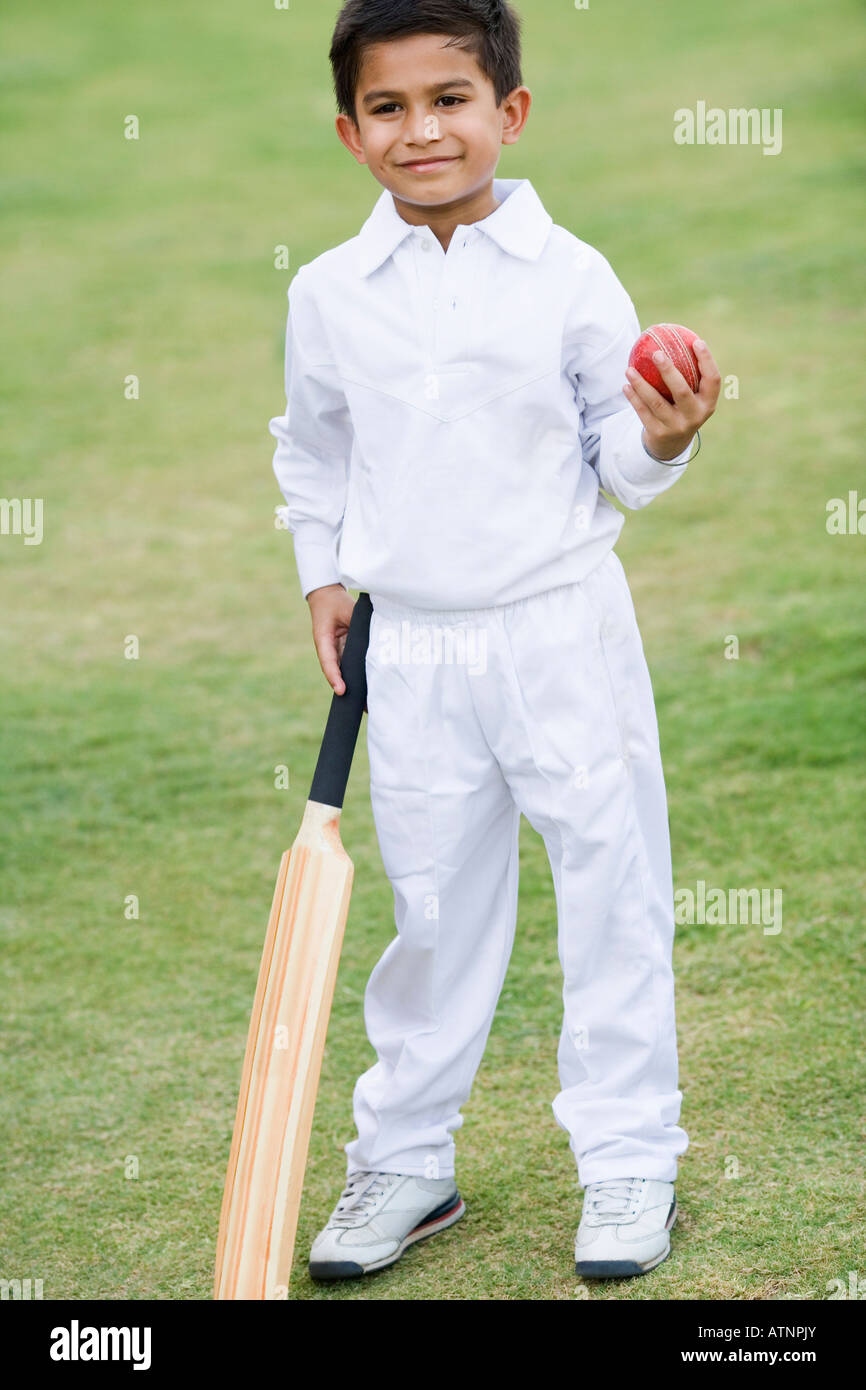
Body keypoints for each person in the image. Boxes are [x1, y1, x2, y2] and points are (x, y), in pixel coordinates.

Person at [269, 0, 720, 1283]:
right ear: (350, 132)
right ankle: (407, 1161)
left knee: (609, 892)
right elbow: (314, 449)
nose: (422, 130)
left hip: (558, 630)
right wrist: (327, 574)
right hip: (411, 652)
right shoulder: (327, 292)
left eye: (449, 99)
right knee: (431, 914)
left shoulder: (569, 275)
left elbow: (616, 461)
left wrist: (667, 433)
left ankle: (628, 1156)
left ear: (506, 113)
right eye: (389, 108)